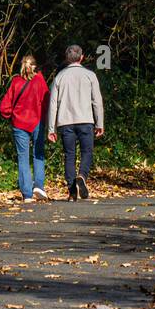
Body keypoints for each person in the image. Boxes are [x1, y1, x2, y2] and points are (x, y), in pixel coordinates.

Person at [47, 44, 104, 200]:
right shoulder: (90, 75)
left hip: (65, 122)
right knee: (87, 152)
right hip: (85, 120)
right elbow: (97, 101)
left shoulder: (59, 77)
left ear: (67, 58)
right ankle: (82, 176)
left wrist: (51, 128)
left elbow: (53, 104)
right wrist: (100, 123)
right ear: (81, 57)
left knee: (69, 156)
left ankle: (72, 192)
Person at [0, 54, 50, 202]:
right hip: (37, 122)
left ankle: (27, 194)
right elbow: (47, 101)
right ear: (34, 66)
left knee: (23, 158)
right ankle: (39, 185)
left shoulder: (16, 82)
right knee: (38, 154)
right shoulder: (40, 81)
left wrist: (11, 115)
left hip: (19, 124)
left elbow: (4, 106)